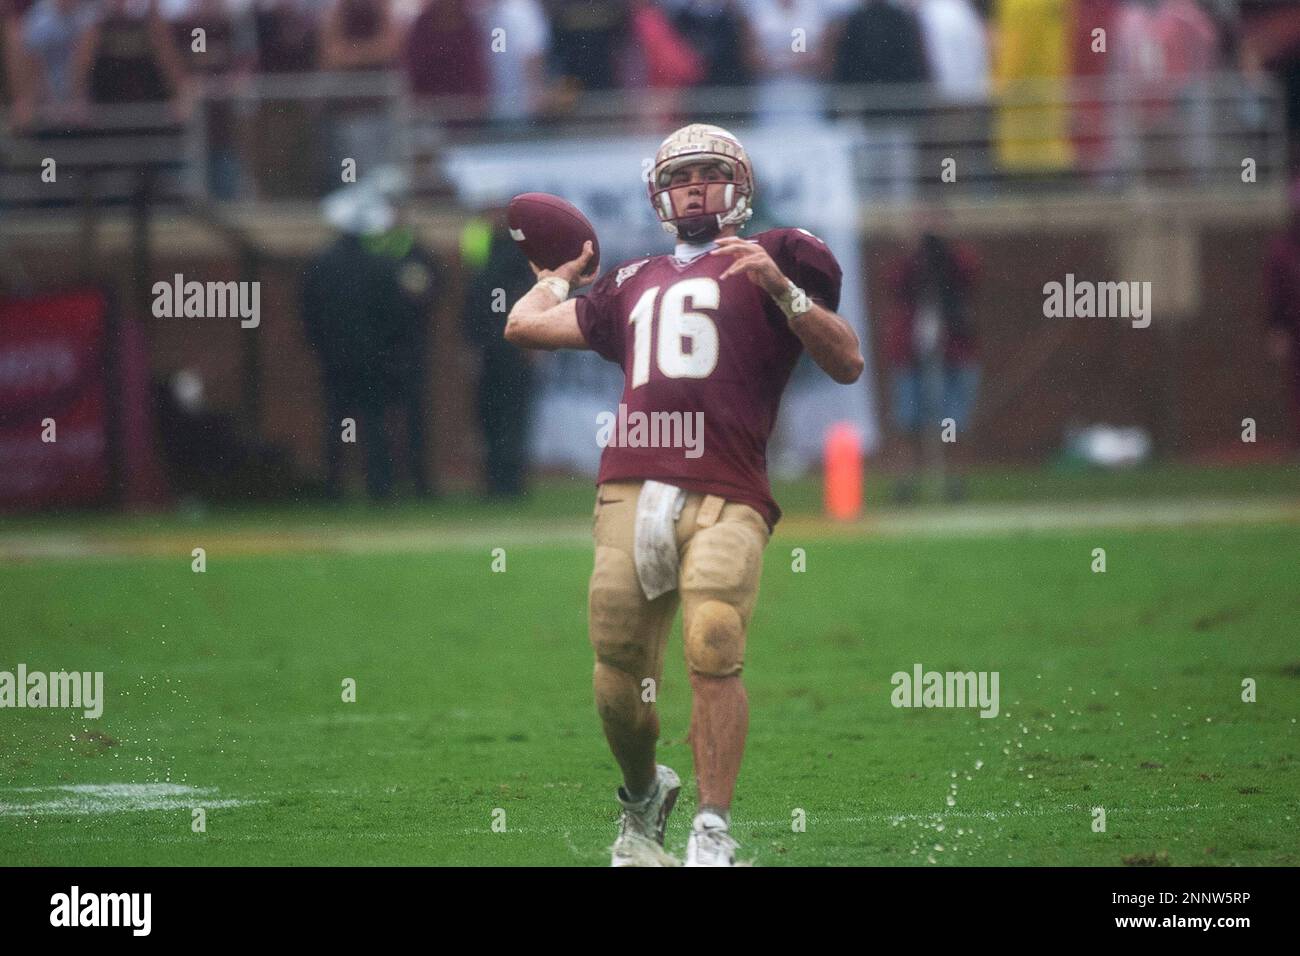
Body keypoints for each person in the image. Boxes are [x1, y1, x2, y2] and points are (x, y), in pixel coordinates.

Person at [504, 124, 864, 866]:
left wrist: (782, 290)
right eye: (682, 175)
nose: (696, 187)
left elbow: (848, 361)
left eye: (710, 172)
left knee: (715, 635)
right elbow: (524, 326)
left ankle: (712, 831)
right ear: (659, 193)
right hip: (632, 479)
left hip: (728, 482)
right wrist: (558, 273)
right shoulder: (632, 279)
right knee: (616, 663)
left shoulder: (782, 252)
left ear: (740, 184)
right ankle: (644, 797)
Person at [884, 215, 980, 502]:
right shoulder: (910, 265)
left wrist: (944, 251)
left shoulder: (957, 261)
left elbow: (970, 274)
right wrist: (919, 254)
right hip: (911, 354)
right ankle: (906, 483)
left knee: (953, 422)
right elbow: (894, 281)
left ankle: (955, 483)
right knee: (907, 422)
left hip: (954, 352)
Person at [461, 206, 536, 497]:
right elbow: (473, 302)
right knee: (490, 416)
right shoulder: (483, 250)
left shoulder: (519, 255)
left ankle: (510, 481)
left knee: (512, 416)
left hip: (514, 345)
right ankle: (495, 480)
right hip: (490, 347)